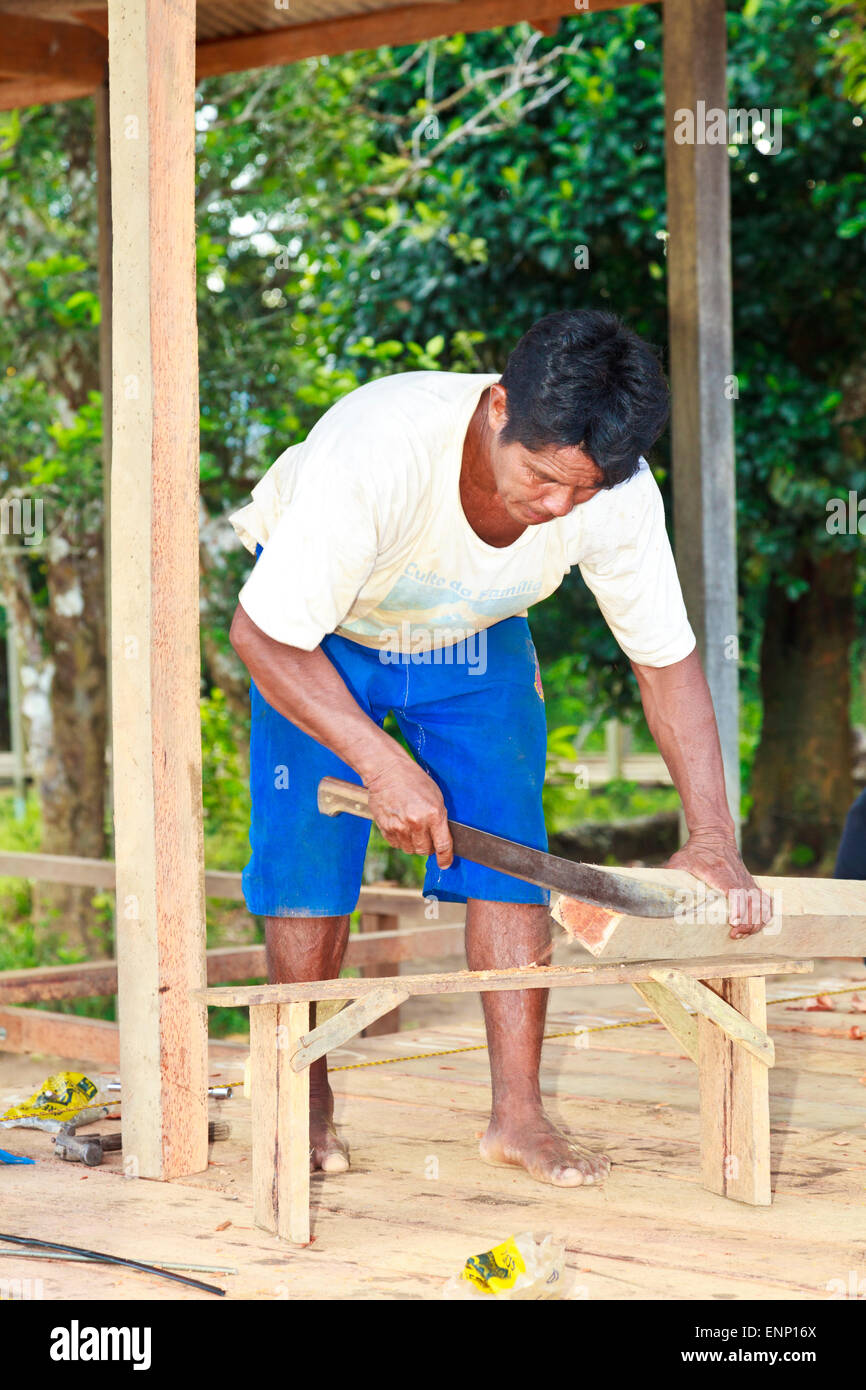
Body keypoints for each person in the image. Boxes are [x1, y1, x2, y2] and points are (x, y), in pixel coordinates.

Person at [228, 309, 771, 1189]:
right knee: (305, 855)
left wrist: (713, 837)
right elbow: (262, 634)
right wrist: (381, 762)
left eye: (580, 492)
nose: (555, 506)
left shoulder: (618, 496)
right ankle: (307, 1094)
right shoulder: (379, 452)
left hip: (476, 640)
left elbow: (666, 667)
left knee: (515, 851)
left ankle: (517, 1116)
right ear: (497, 407)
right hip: (320, 635)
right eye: (542, 476)